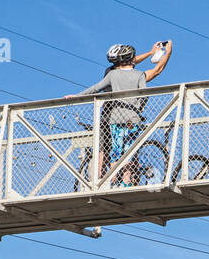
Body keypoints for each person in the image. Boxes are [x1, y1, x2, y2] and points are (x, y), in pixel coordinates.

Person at [70, 40, 173, 184]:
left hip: (111, 117)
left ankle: (105, 182)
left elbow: (96, 87)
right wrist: (166, 53)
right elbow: (155, 71)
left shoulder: (111, 74)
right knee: (129, 152)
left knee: (112, 152)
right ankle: (126, 182)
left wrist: (77, 96)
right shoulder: (138, 75)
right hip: (131, 117)